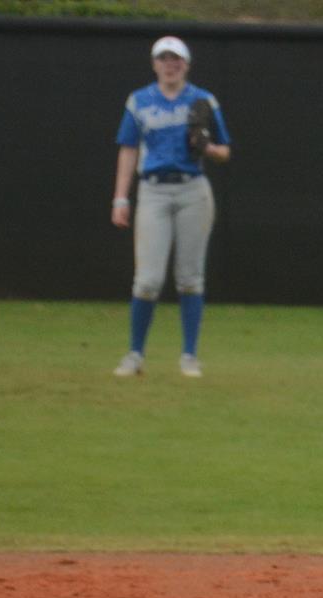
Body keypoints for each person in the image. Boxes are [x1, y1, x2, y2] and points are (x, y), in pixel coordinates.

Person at [111, 35, 231, 379]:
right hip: (153, 191)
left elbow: (225, 151)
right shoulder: (139, 101)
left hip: (193, 190)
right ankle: (135, 354)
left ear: (186, 65)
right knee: (147, 280)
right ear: (154, 64)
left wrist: (206, 148)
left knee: (190, 278)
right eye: (163, 58)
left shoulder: (203, 100)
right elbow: (128, 149)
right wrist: (121, 197)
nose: (170, 64)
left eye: (176, 59)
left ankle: (189, 356)